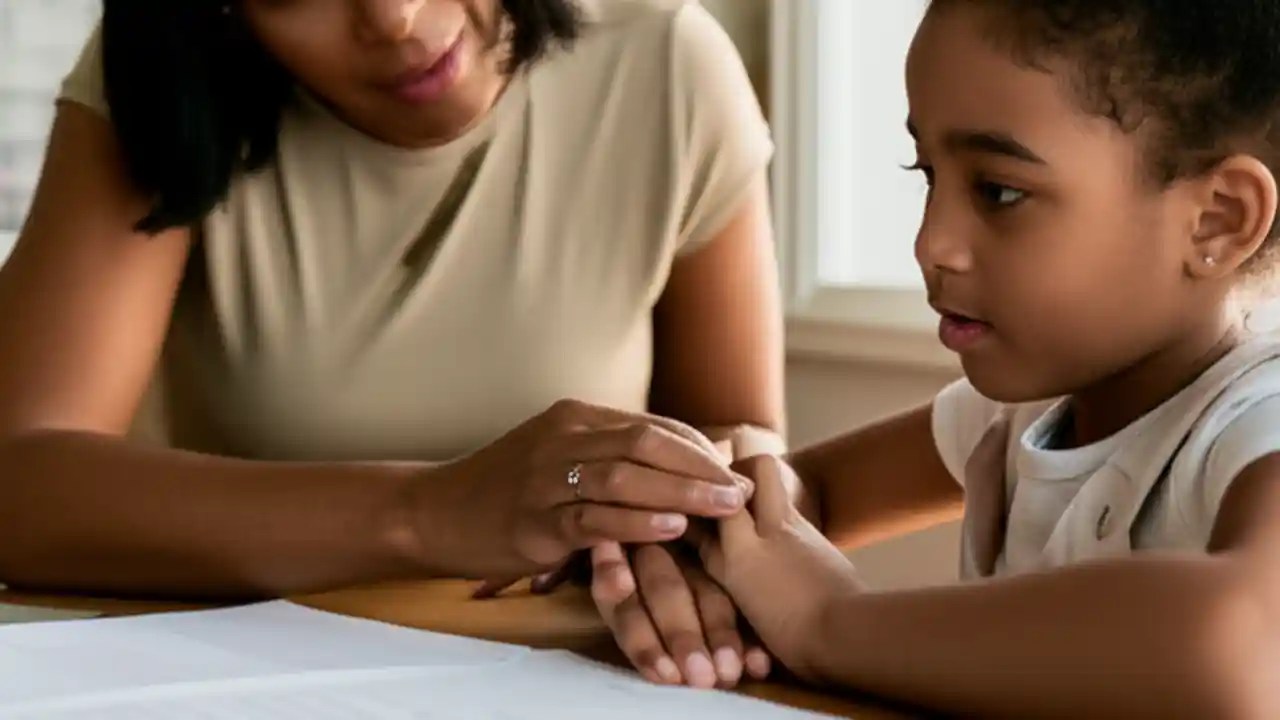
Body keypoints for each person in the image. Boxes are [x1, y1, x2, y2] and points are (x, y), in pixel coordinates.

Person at [0, 0, 784, 690]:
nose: (393, 18)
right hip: (227, 682)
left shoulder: (666, 65)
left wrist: (675, 530)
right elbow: (19, 489)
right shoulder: (170, 78)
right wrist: (428, 510)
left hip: (570, 676)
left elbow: (742, 450)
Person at [605, 1, 1280, 715]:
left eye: (1000, 191)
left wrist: (826, 625)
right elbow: (816, 493)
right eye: (927, 174)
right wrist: (709, 531)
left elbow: (1243, 645)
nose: (932, 244)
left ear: (1218, 219)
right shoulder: (1017, 414)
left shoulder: (1255, 421)